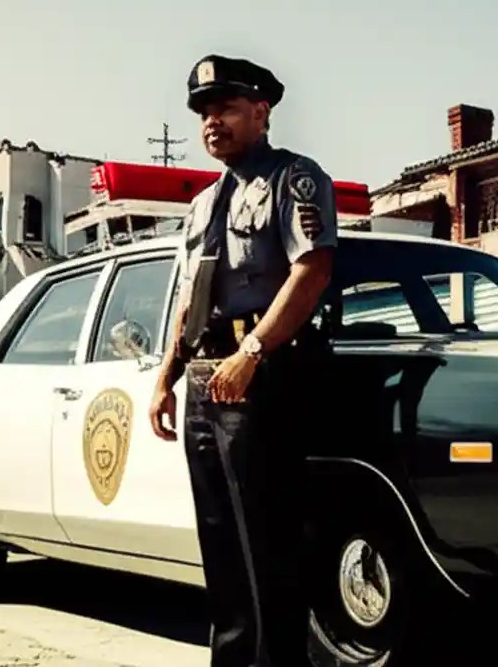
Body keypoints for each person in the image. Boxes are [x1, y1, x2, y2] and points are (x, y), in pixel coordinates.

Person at [148, 54, 338, 667]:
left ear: (261, 111)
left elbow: (312, 270)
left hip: (267, 377)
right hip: (208, 380)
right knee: (221, 548)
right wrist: (167, 380)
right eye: (204, 112)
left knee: (267, 548)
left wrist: (252, 352)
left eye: (225, 108)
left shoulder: (294, 179)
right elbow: (190, 299)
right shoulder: (203, 204)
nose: (211, 122)